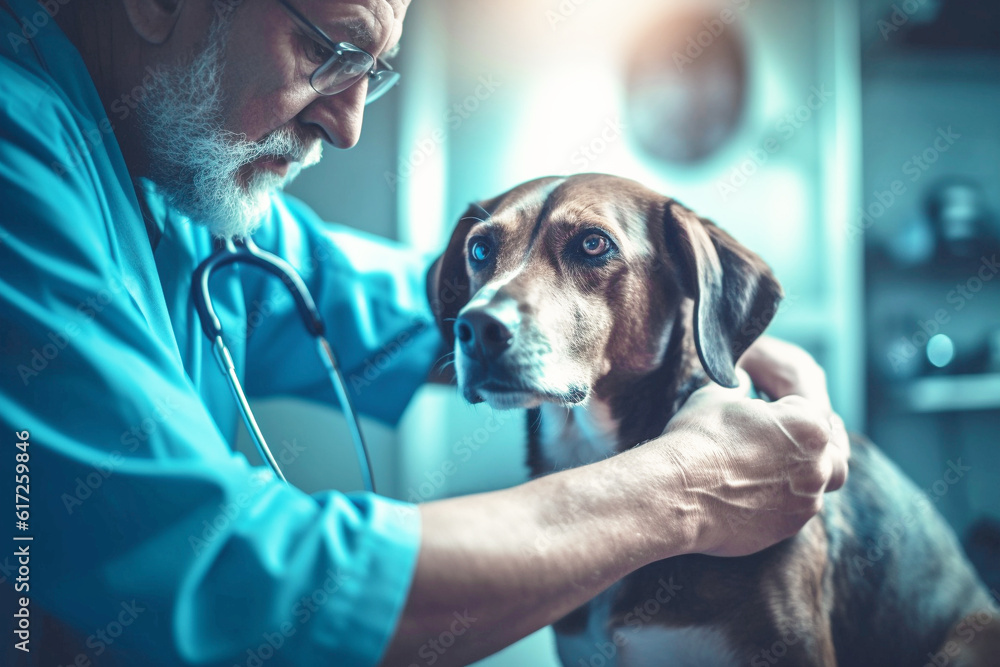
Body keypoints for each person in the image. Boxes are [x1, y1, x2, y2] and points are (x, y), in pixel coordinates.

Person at [0, 1, 849, 665]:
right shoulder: (17, 155)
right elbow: (231, 580)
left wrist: (694, 327)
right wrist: (689, 487)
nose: (347, 124)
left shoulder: (168, 183)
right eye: (330, 51)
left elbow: (396, 302)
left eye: (375, 73)